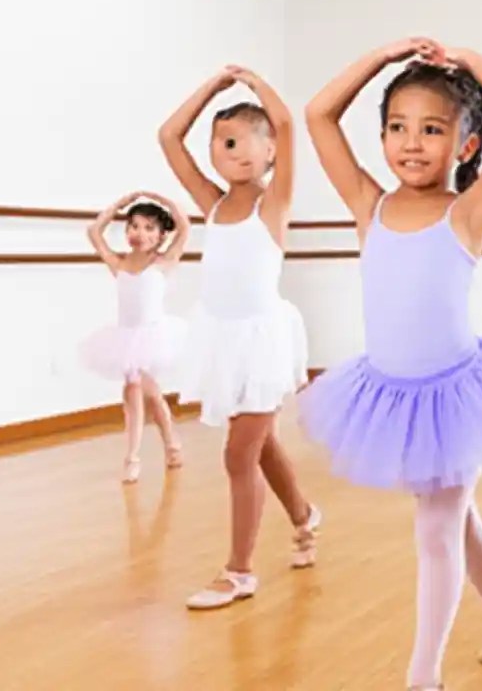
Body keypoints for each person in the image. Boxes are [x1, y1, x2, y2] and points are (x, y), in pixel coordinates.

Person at [301, 37, 482, 690]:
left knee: (436, 530)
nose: (411, 143)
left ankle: (423, 677)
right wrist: (382, 57)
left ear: (466, 145)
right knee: (455, 517)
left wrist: (473, 61)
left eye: (431, 129)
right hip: (389, 394)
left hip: (455, 395)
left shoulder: (467, 213)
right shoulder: (370, 206)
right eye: (397, 128)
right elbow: (317, 115)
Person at [159, 65, 320, 609]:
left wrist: (254, 83)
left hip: (261, 339)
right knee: (260, 443)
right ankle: (303, 515)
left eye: (246, 142)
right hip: (220, 337)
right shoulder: (213, 202)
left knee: (238, 453)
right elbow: (168, 137)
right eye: (222, 143)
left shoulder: (271, 203)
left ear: (271, 151)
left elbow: (286, 122)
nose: (232, 152)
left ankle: (239, 571)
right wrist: (210, 90)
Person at [80, 191, 189, 483]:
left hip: (152, 336)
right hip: (125, 339)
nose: (139, 233)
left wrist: (159, 199)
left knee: (146, 392)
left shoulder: (164, 262)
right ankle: (159, 448)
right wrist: (119, 204)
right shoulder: (119, 262)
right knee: (139, 390)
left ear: (162, 236)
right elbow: (94, 231)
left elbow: (185, 225)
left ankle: (147, 451)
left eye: (149, 228)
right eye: (134, 225)